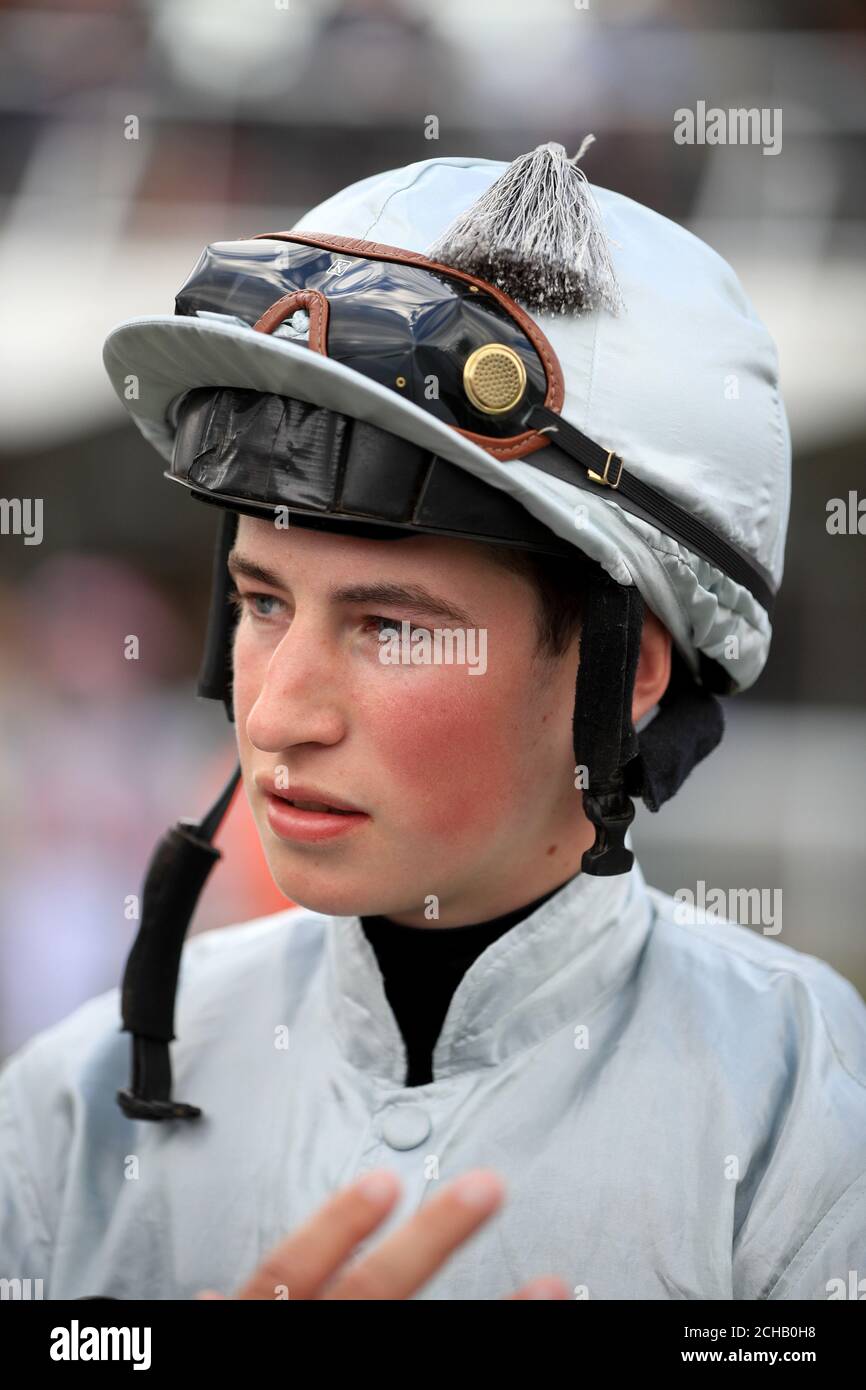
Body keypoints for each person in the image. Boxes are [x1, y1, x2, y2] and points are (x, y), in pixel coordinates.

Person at [1, 143, 864, 1302]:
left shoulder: (809, 1104)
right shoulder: (66, 1098)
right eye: (262, 602)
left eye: (392, 627)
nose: (276, 710)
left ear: (629, 675)